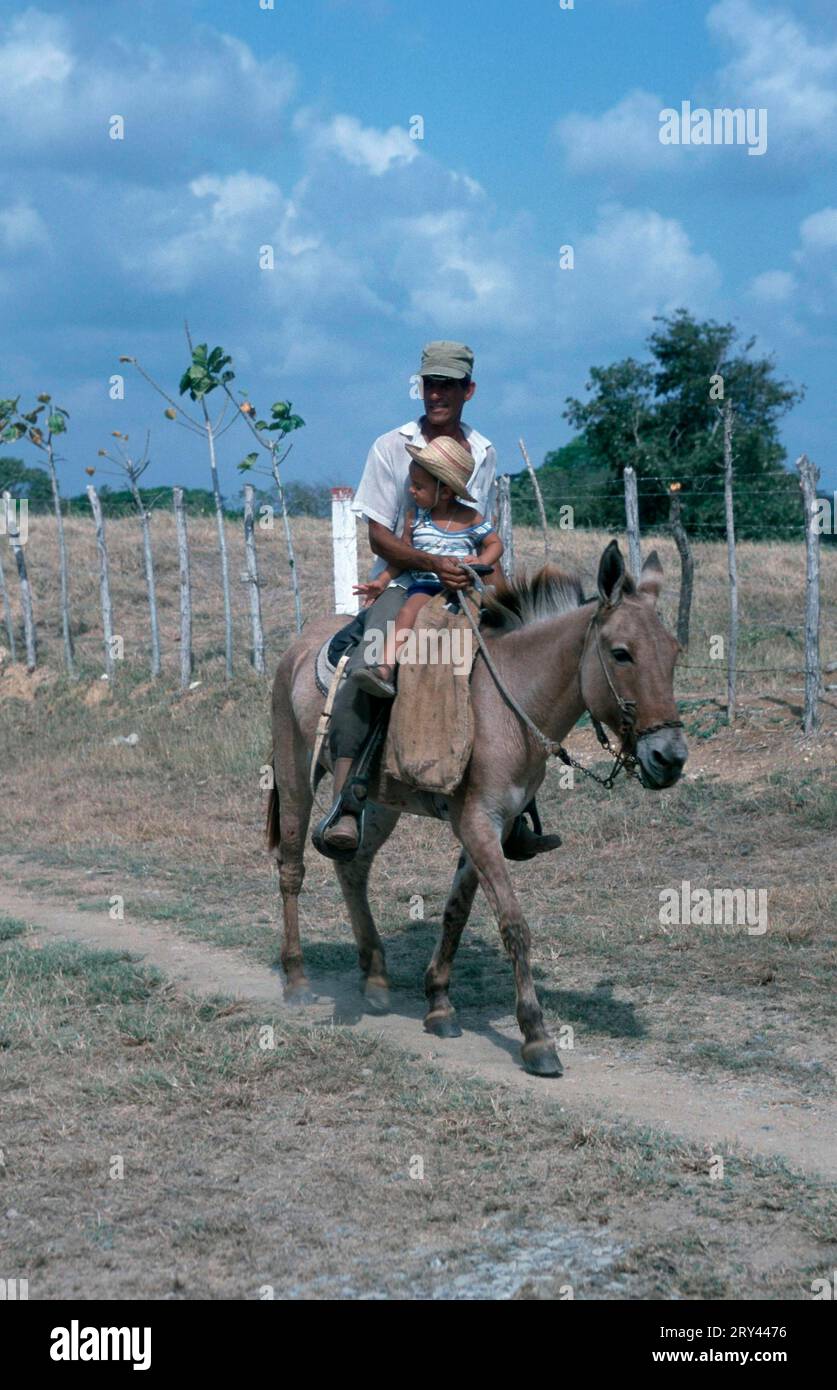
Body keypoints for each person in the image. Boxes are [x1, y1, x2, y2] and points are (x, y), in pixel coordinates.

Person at [318, 339, 560, 861]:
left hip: (466, 577)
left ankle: (518, 806)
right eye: (430, 384)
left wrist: (487, 580)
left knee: (512, 660)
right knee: (370, 661)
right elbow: (381, 538)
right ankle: (347, 801)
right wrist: (433, 565)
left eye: (448, 385)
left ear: (468, 390)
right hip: (408, 577)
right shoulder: (390, 446)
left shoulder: (485, 452)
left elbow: (480, 528)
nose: (436, 395)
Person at [351, 435, 503, 697]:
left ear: (445, 491)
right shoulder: (415, 518)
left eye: (419, 487)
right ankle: (385, 667)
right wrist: (383, 580)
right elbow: (404, 556)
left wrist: (480, 561)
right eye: (412, 484)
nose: (411, 491)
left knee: (487, 624)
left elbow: (496, 545)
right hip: (426, 585)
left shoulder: (471, 518)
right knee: (407, 612)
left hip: (463, 590)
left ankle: (494, 680)